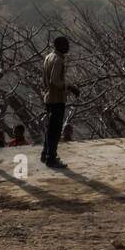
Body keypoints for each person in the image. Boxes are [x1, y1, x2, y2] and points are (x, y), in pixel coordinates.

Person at [41, 36, 78, 168]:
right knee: (55, 130)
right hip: (56, 99)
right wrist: (69, 87)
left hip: (49, 97)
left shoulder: (48, 57)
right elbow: (54, 81)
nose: (68, 46)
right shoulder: (58, 60)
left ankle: (45, 153)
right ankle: (51, 158)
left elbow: (45, 80)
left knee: (50, 128)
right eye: (65, 44)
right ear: (59, 45)